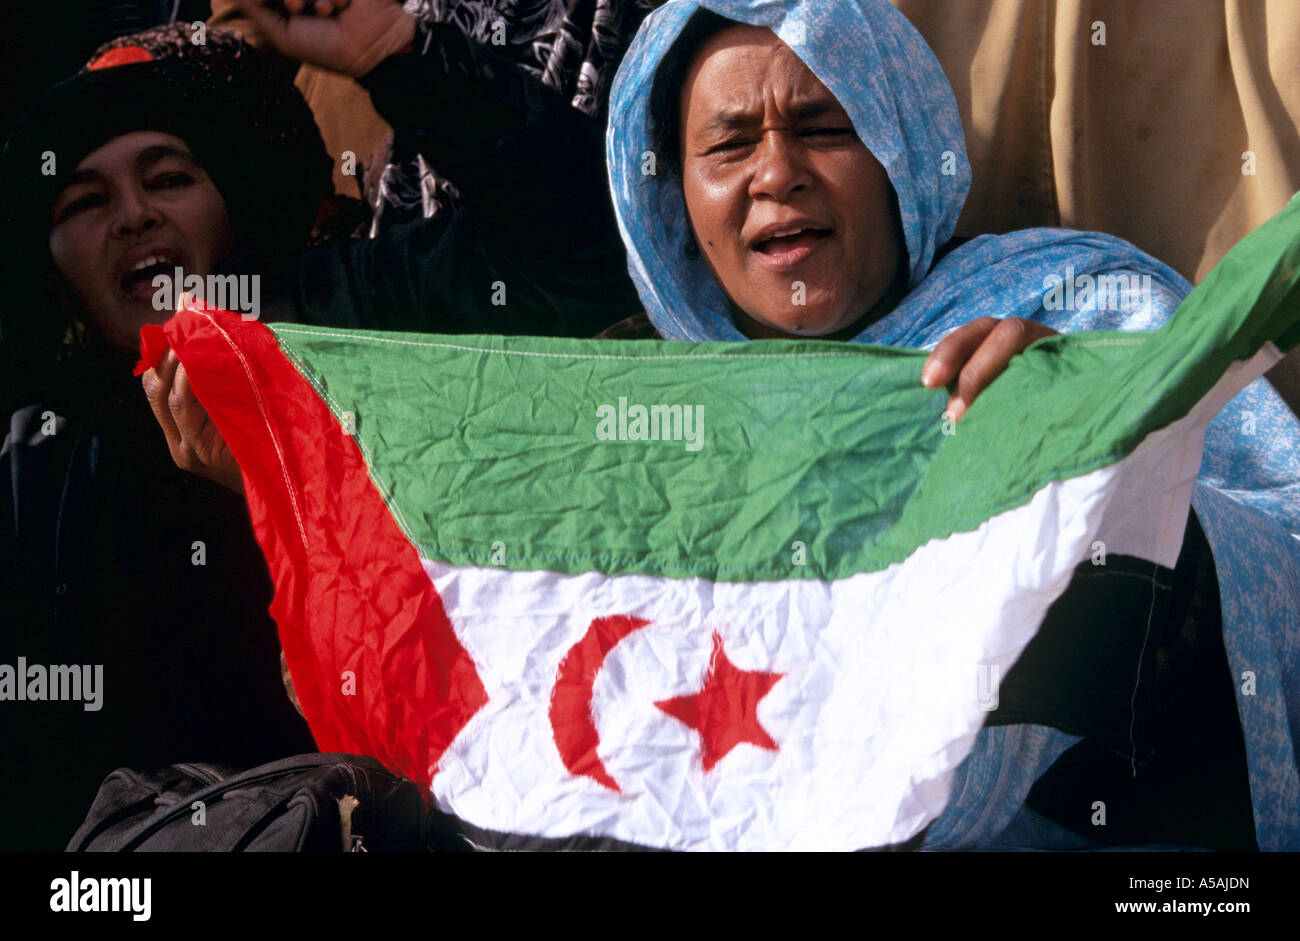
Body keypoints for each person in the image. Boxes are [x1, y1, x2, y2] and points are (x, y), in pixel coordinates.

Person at [600, 0, 1300, 849]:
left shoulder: (1078, 317)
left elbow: (1285, 577)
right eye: (730, 143)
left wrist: (1106, 461)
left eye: (823, 127)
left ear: (900, 152)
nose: (776, 172)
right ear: (672, 197)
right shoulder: (629, 412)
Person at [0, 14, 640, 848]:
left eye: (168, 179)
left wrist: (404, 61)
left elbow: (586, 253)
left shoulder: (353, 311)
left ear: (231, 211)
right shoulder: (36, 470)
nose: (133, 216)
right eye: (87, 201)